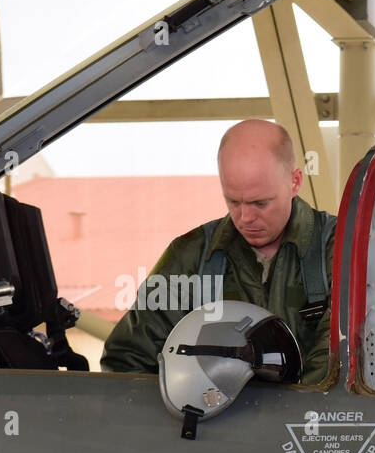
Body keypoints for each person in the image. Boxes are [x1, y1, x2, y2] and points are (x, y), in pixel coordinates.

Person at [102, 119, 335, 384]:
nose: (245, 217)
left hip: (309, 423)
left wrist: (284, 420)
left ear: (294, 182)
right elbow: (127, 361)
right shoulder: (192, 256)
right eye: (233, 201)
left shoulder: (339, 251)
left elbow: (344, 364)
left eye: (260, 203)